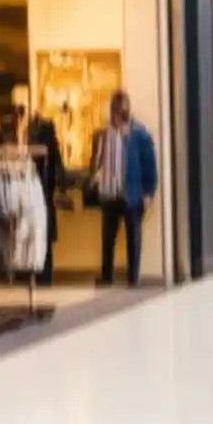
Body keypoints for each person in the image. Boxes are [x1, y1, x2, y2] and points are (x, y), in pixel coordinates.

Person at [90, 90, 158, 287]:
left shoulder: (139, 134)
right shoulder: (103, 133)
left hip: (132, 193)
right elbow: (97, 159)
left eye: (123, 114)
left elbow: (149, 164)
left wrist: (149, 192)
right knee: (107, 238)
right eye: (117, 114)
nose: (119, 119)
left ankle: (133, 277)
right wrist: (95, 176)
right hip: (109, 192)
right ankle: (107, 275)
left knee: (133, 237)